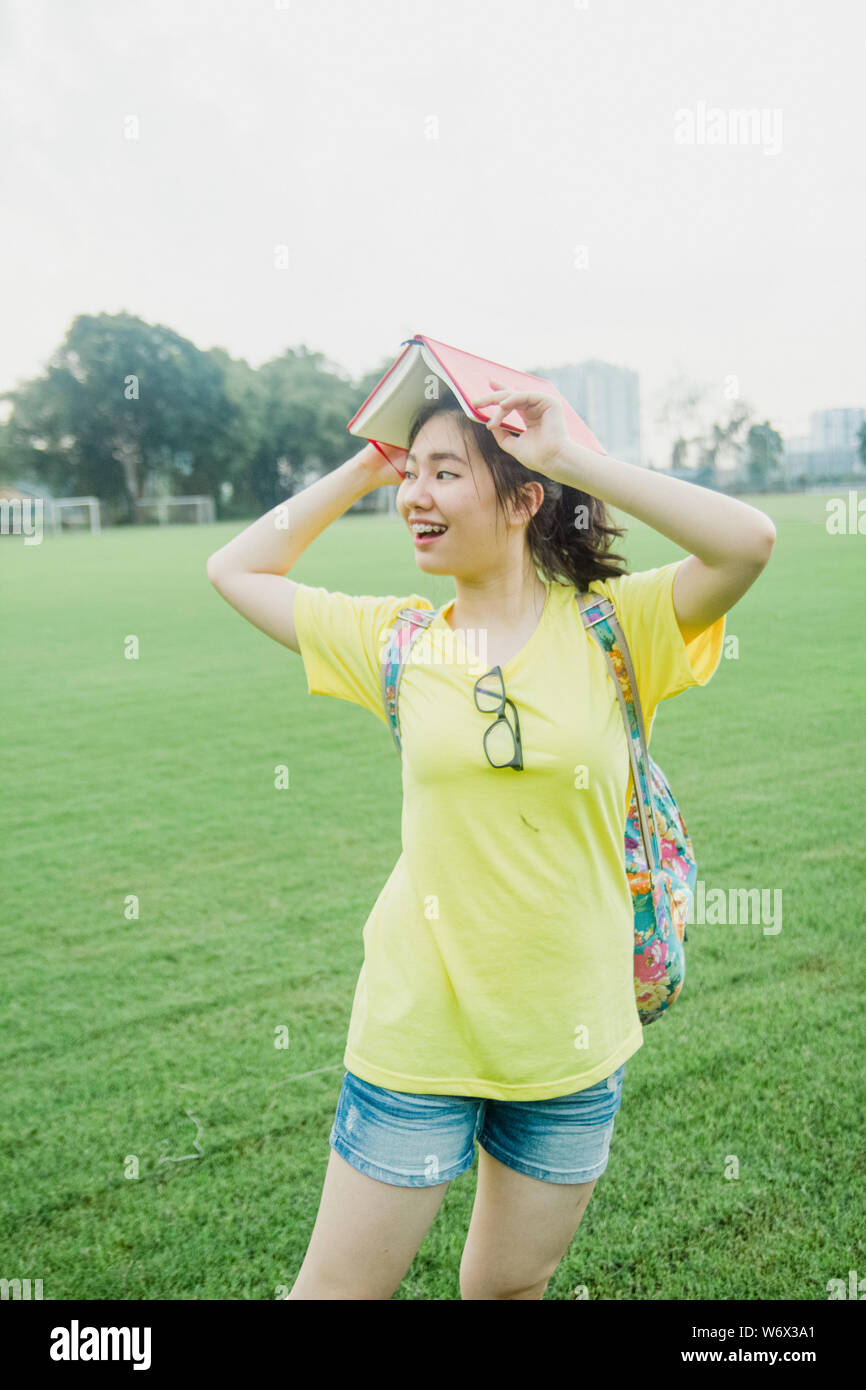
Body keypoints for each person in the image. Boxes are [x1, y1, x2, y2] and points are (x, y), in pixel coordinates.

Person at [206, 378, 776, 1300]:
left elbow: (749, 540)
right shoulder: (393, 640)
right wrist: (365, 464)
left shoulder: (616, 627)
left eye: (444, 474)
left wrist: (570, 457)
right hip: (416, 1030)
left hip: (569, 1034)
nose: (414, 498)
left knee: (506, 1291)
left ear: (521, 501)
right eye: (410, 475)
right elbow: (235, 570)